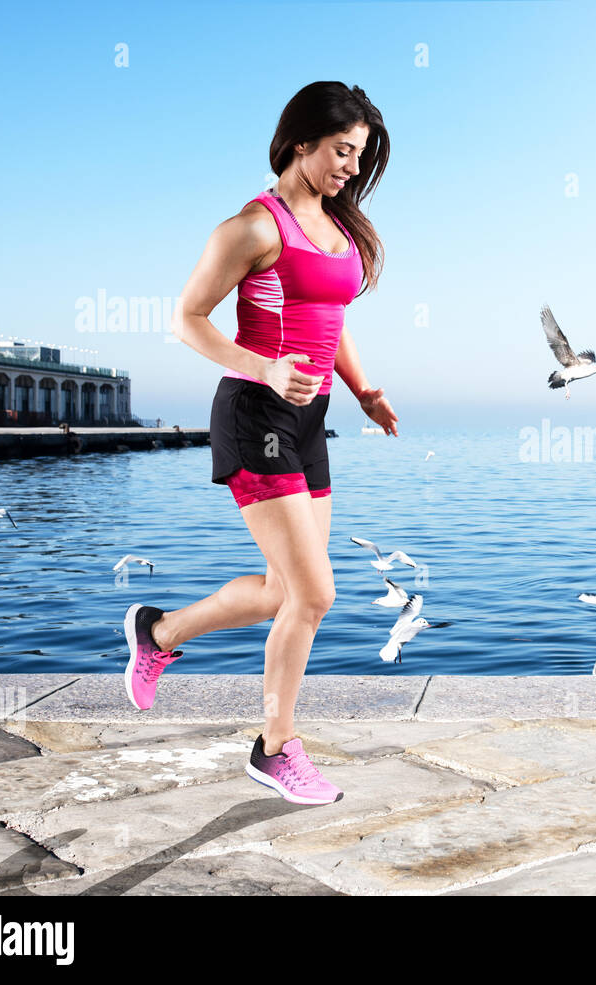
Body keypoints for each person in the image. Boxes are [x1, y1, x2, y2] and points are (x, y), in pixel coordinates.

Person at [122, 82, 397, 805]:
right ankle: (275, 748)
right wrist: (267, 365)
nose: (350, 167)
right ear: (299, 141)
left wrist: (365, 391)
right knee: (315, 593)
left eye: (359, 155)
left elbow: (331, 319)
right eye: (342, 151)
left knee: (285, 592)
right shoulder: (253, 227)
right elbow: (187, 318)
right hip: (255, 413)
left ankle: (159, 631)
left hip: (310, 422)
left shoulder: (336, 227)